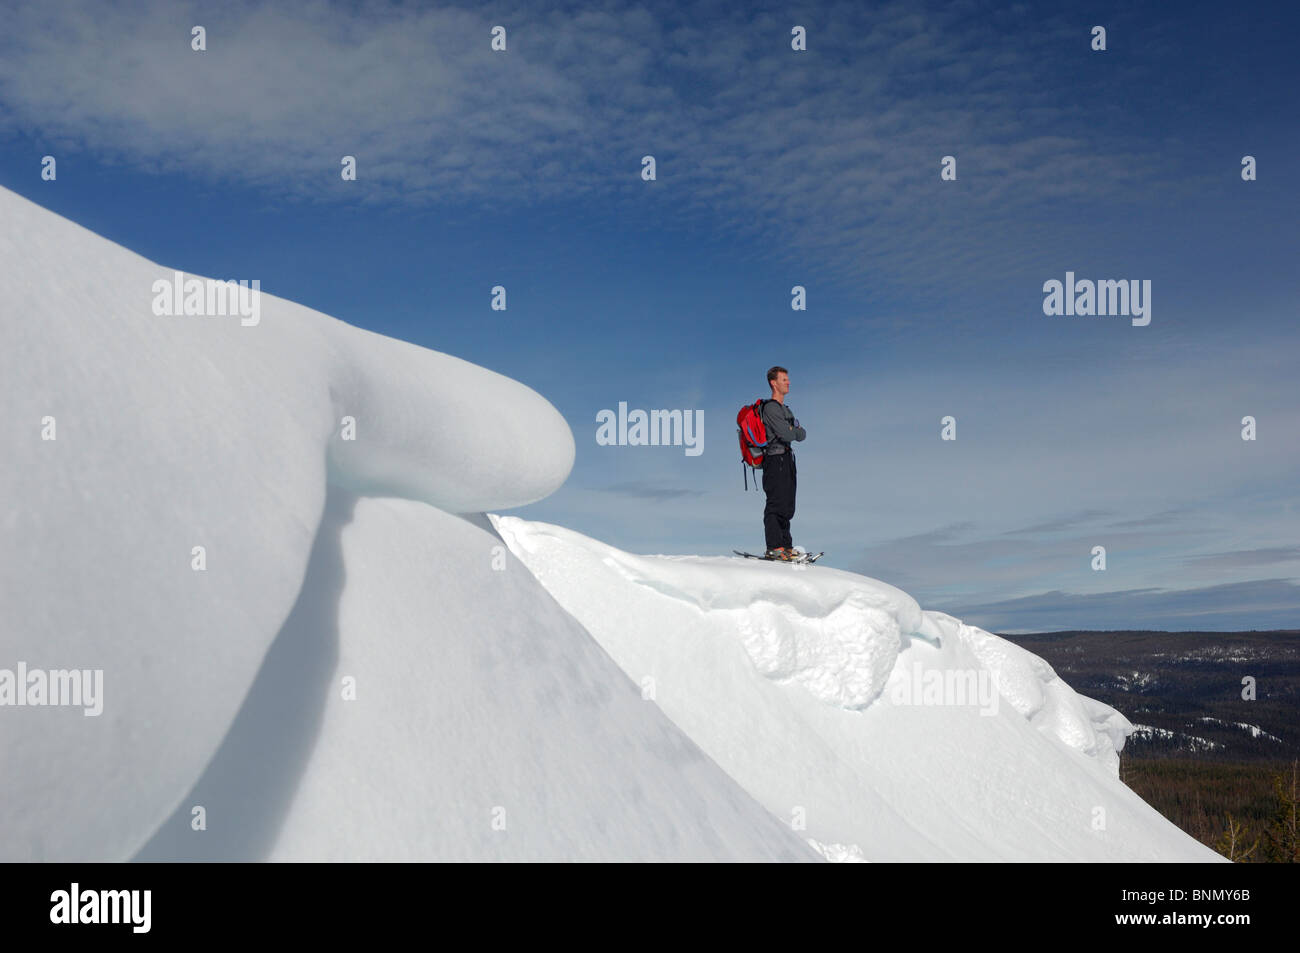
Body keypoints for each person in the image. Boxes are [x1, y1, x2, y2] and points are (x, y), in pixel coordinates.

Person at [760, 366, 806, 560]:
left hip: (787, 458)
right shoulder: (770, 408)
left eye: (788, 379)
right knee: (775, 503)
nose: (788, 382)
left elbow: (802, 435)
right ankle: (774, 546)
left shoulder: (786, 409)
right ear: (774, 382)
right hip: (774, 459)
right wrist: (792, 428)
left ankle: (786, 546)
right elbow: (789, 433)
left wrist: (792, 430)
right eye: (784, 379)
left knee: (787, 504)